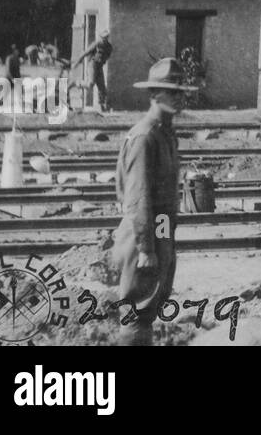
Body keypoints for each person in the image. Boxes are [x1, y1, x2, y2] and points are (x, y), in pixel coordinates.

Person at [113, 58, 197, 346]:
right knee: (138, 305)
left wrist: (164, 245)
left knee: (153, 299)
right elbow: (138, 197)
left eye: (180, 91)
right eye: (172, 91)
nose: (179, 97)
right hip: (143, 229)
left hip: (159, 225)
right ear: (154, 95)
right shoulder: (146, 136)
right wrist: (147, 247)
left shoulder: (165, 133)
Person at [71, 32, 113, 113]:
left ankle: (101, 106)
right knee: (90, 84)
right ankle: (76, 83)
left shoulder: (109, 47)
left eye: (106, 37)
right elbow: (85, 53)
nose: (104, 39)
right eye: (103, 37)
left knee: (102, 87)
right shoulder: (97, 43)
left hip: (99, 66)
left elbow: (106, 57)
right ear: (100, 37)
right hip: (92, 65)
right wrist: (76, 63)